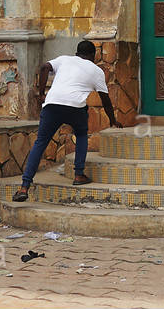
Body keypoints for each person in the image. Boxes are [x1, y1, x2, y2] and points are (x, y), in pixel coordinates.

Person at [12, 40, 121, 202]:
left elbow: (44, 67)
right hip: (75, 108)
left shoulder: (64, 59)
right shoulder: (96, 70)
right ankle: (78, 174)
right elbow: (105, 99)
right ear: (93, 55)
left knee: (40, 143)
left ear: (77, 52)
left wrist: (41, 93)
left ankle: (24, 186)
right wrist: (113, 120)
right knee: (82, 134)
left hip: (52, 105)